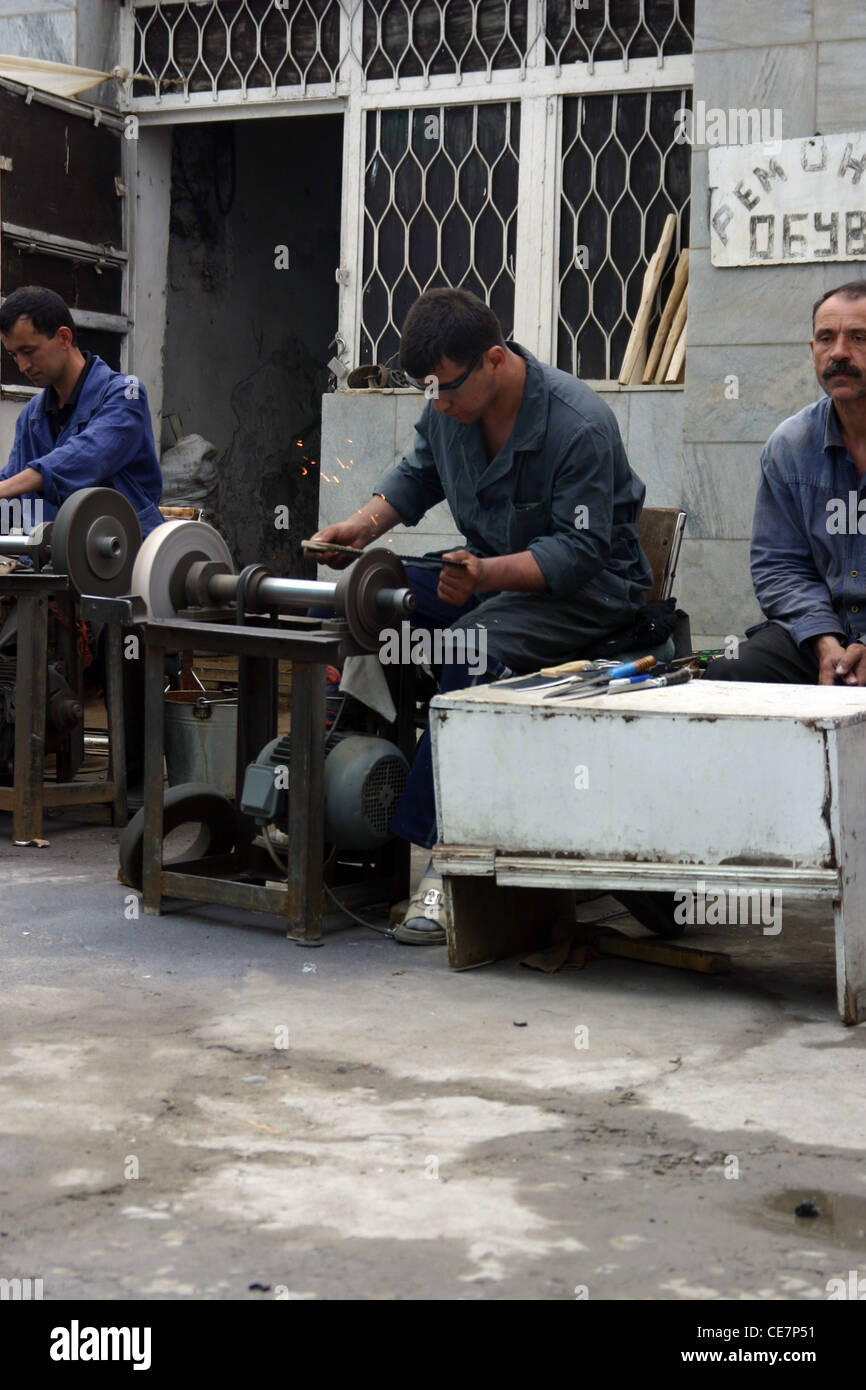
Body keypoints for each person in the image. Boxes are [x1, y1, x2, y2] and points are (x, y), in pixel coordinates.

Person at [313, 288, 653, 944]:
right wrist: (361, 526)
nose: (436, 404)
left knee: (469, 645)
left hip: (588, 595)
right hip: (491, 575)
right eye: (427, 390)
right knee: (371, 604)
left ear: (495, 360)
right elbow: (417, 476)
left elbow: (580, 554)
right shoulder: (448, 405)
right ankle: (337, 808)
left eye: (444, 389)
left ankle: (448, 862)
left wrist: (485, 576)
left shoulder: (577, 423)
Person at [0, 286, 165, 786]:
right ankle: (13, 758)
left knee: (131, 636)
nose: (22, 365)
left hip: (132, 567)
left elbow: (88, 458)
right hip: (59, 569)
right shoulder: (33, 416)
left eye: (29, 351)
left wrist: (12, 484)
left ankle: (135, 783)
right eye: (13, 356)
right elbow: (12, 506)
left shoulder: (124, 395)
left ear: (64, 337)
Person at [707, 281, 866, 689]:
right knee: (730, 673)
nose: (840, 354)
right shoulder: (791, 445)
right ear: (812, 351)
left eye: (859, 338)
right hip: (819, 631)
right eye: (826, 339)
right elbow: (779, 566)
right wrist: (825, 642)